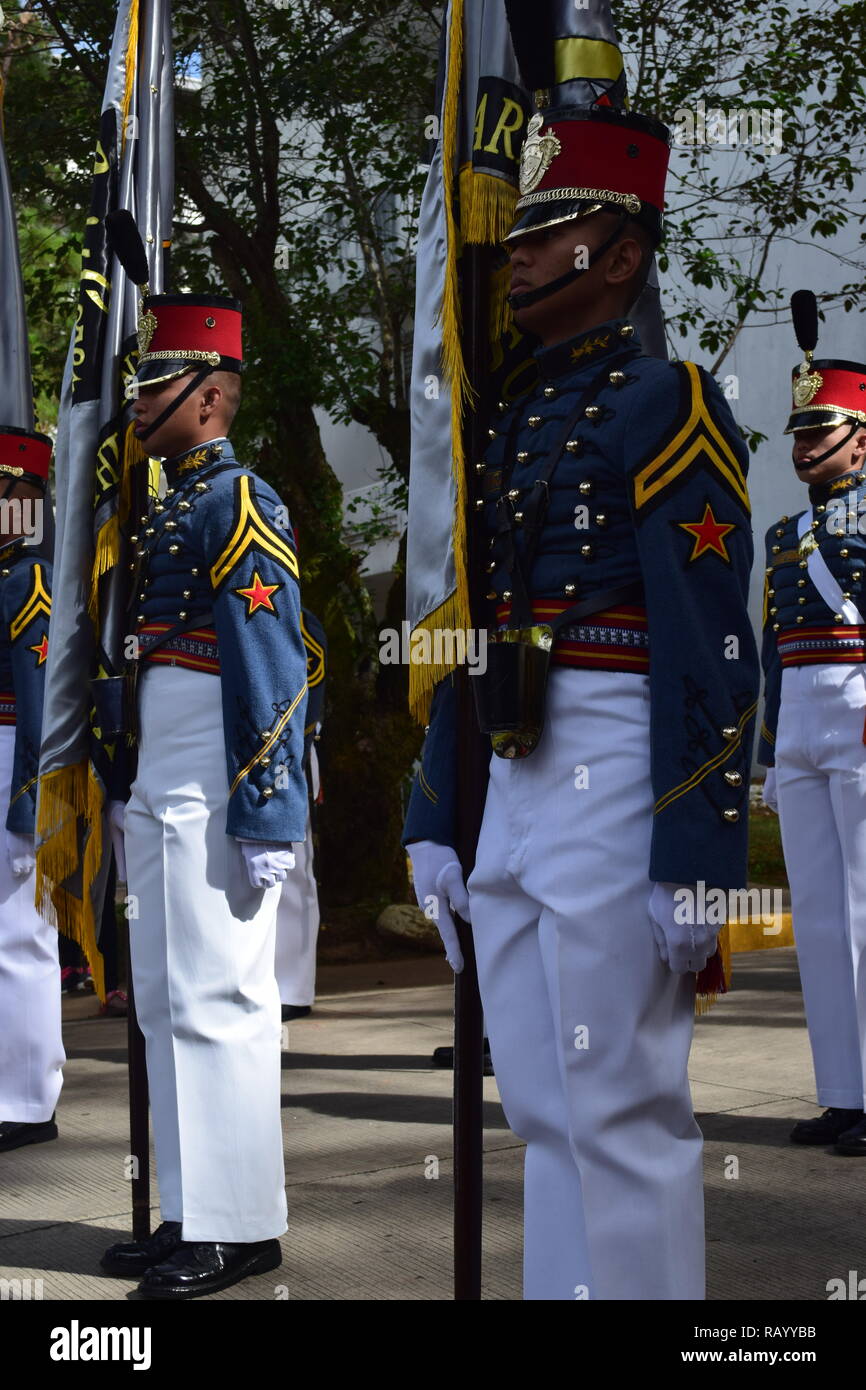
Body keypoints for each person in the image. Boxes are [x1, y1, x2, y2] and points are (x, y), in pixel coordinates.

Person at [404, 104, 759, 1300]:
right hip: (513, 771)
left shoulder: (670, 399)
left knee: (616, 1106)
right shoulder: (509, 419)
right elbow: (479, 624)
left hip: (617, 762)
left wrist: (696, 844)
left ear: (617, 256)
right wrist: (431, 809)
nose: (513, 249)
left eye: (543, 229)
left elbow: (708, 642)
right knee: (544, 1108)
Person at [99, 284, 309, 1298]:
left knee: (222, 995)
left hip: (215, 772)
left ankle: (237, 1224)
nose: (135, 402)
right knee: (168, 1001)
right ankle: (190, 1207)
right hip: (162, 768)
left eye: (155, 383)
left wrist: (269, 806)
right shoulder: (166, 504)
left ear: (211, 397)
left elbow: (271, 662)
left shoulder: (238, 498)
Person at [759, 290, 866, 1156]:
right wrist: (765, 754)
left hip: (860, 709)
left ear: (861, 437)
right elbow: (771, 646)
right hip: (799, 712)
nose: (802, 446)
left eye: (818, 430)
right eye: (797, 432)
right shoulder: (782, 532)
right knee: (822, 915)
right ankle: (843, 1093)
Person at [0, 427, 65, 1153]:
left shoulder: (31, 579)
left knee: (19, 934)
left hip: (12, 752)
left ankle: (26, 1102)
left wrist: (29, 805)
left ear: (23, 496)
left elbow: (42, 705)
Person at [275, 607, 325, 1022]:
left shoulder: (298, 616)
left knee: (293, 867)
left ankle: (293, 986)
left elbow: (310, 684)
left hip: (286, 748)